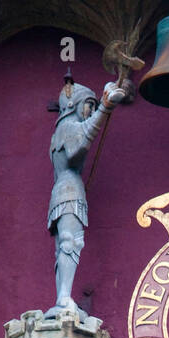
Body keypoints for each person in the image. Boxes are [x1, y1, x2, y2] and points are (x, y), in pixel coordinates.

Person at [47, 75, 127, 318]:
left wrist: (103, 107)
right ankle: (63, 298)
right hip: (68, 190)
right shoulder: (66, 128)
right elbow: (80, 142)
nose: (89, 109)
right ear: (73, 104)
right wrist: (104, 107)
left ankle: (63, 296)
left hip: (70, 189)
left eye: (92, 105)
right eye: (88, 104)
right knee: (70, 242)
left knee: (71, 243)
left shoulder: (66, 129)